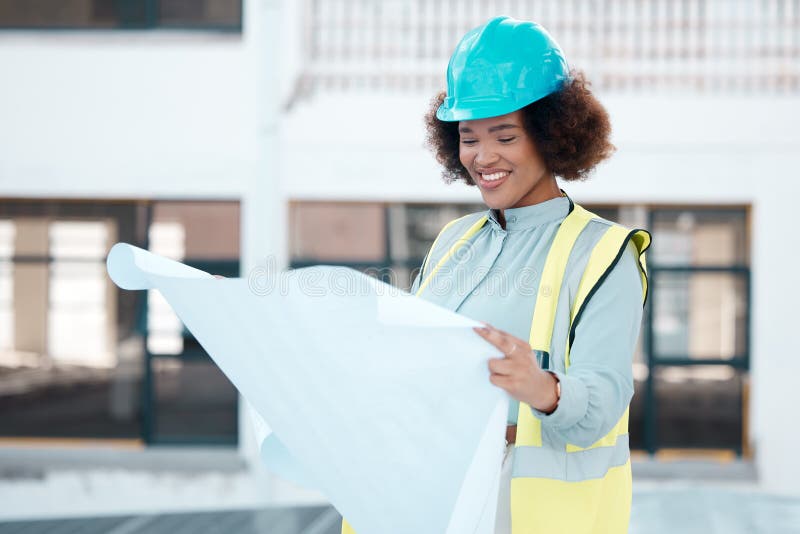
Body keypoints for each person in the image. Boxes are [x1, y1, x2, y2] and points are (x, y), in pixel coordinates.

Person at [342, 16, 649, 534]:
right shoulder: (452, 241)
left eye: (504, 135)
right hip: (428, 506)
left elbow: (603, 404)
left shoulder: (604, 252)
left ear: (552, 134)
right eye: (468, 137)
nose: (483, 157)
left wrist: (544, 388)